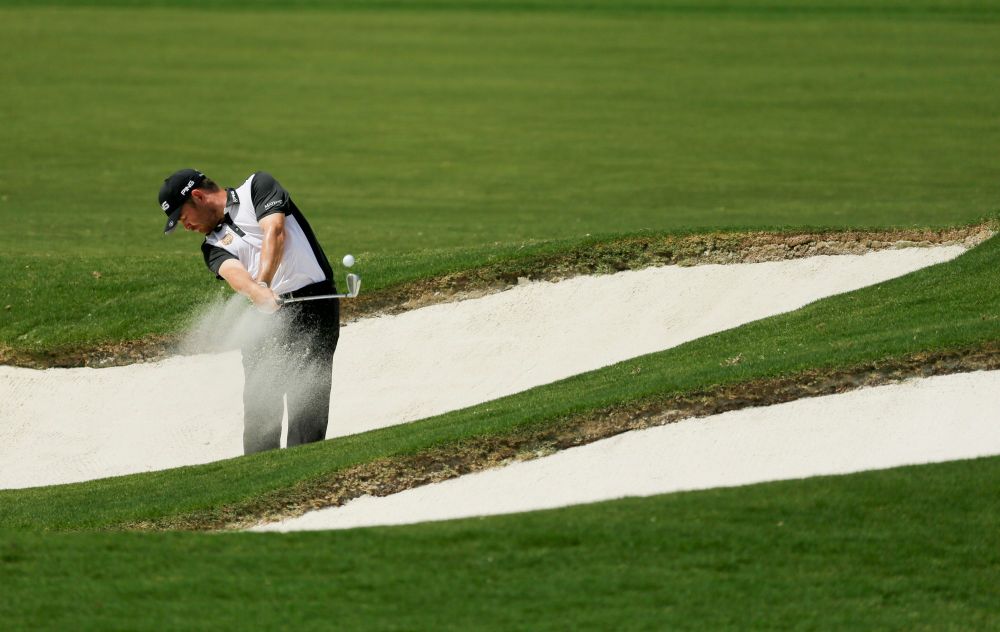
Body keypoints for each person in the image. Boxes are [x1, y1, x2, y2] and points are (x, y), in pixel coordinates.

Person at [158, 168, 340, 454]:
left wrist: (264, 282)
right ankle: (261, 480)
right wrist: (258, 293)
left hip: (314, 305)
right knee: (259, 406)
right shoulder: (212, 247)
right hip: (264, 317)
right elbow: (235, 275)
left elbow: (275, 232)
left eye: (183, 217)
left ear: (197, 196)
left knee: (307, 405)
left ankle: (301, 477)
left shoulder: (256, 187)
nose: (186, 226)